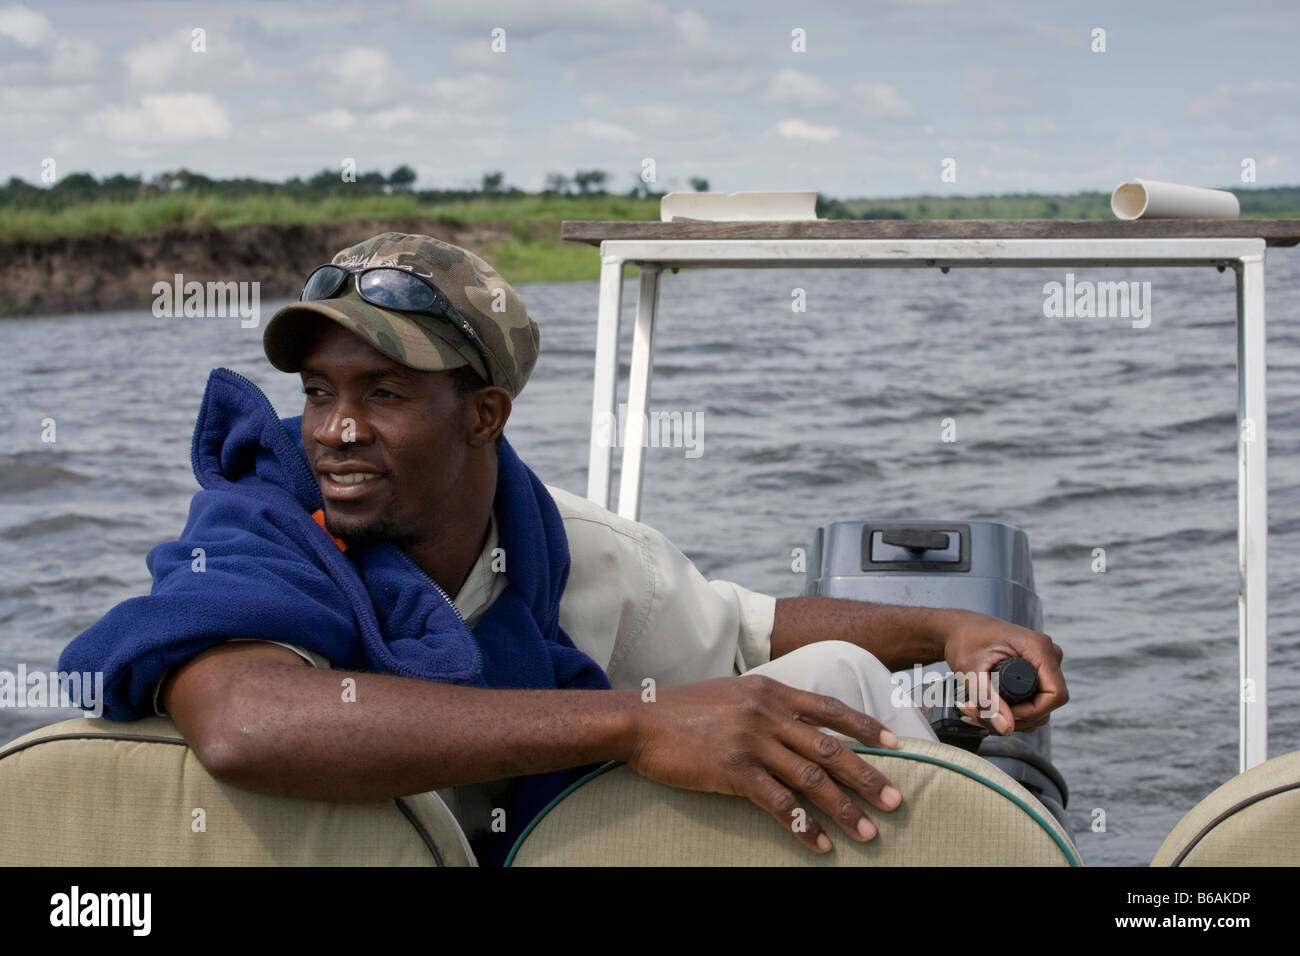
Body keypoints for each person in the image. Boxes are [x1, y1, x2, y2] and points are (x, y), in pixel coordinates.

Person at [60, 232, 1067, 866]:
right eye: (320, 391)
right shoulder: (261, 534)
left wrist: (947, 622)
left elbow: (748, 629)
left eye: (384, 393)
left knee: (837, 672)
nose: (335, 430)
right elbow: (243, 719)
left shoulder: (571, 547)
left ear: (483, 414)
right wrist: (631, 723)